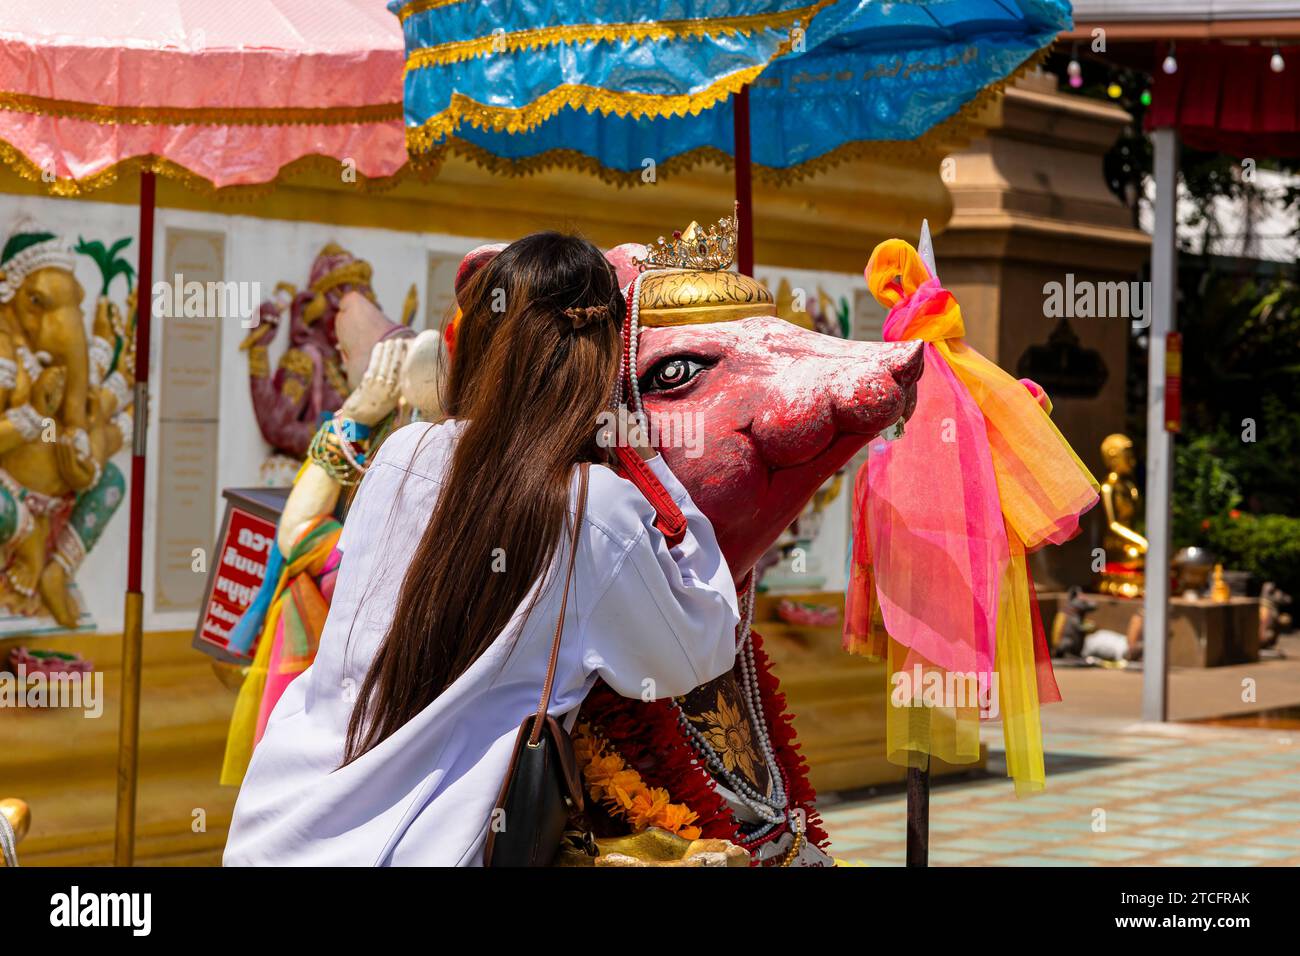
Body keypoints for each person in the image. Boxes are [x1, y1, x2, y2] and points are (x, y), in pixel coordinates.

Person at [223, 232, 740, 866]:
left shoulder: (402, 452)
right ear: (603, 360)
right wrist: (649, 466)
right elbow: (697, 648)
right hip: (428, 848)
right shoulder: (596, 508)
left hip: (283, 826)